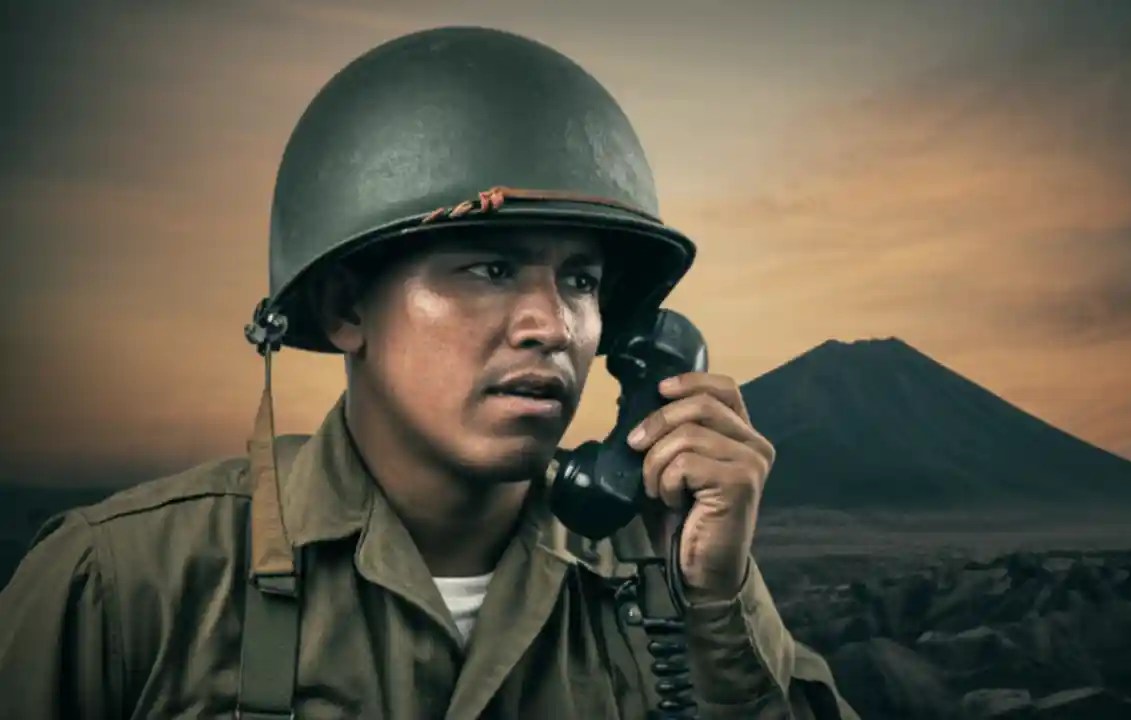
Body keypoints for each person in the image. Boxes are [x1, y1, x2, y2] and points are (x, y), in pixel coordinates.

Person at [0, 26, 858, 719]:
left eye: (581, 280)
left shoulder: (665, 582)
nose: (552, 325)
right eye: (488, 269)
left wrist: (715, 609)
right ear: (346, 308)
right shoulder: (121, 586)